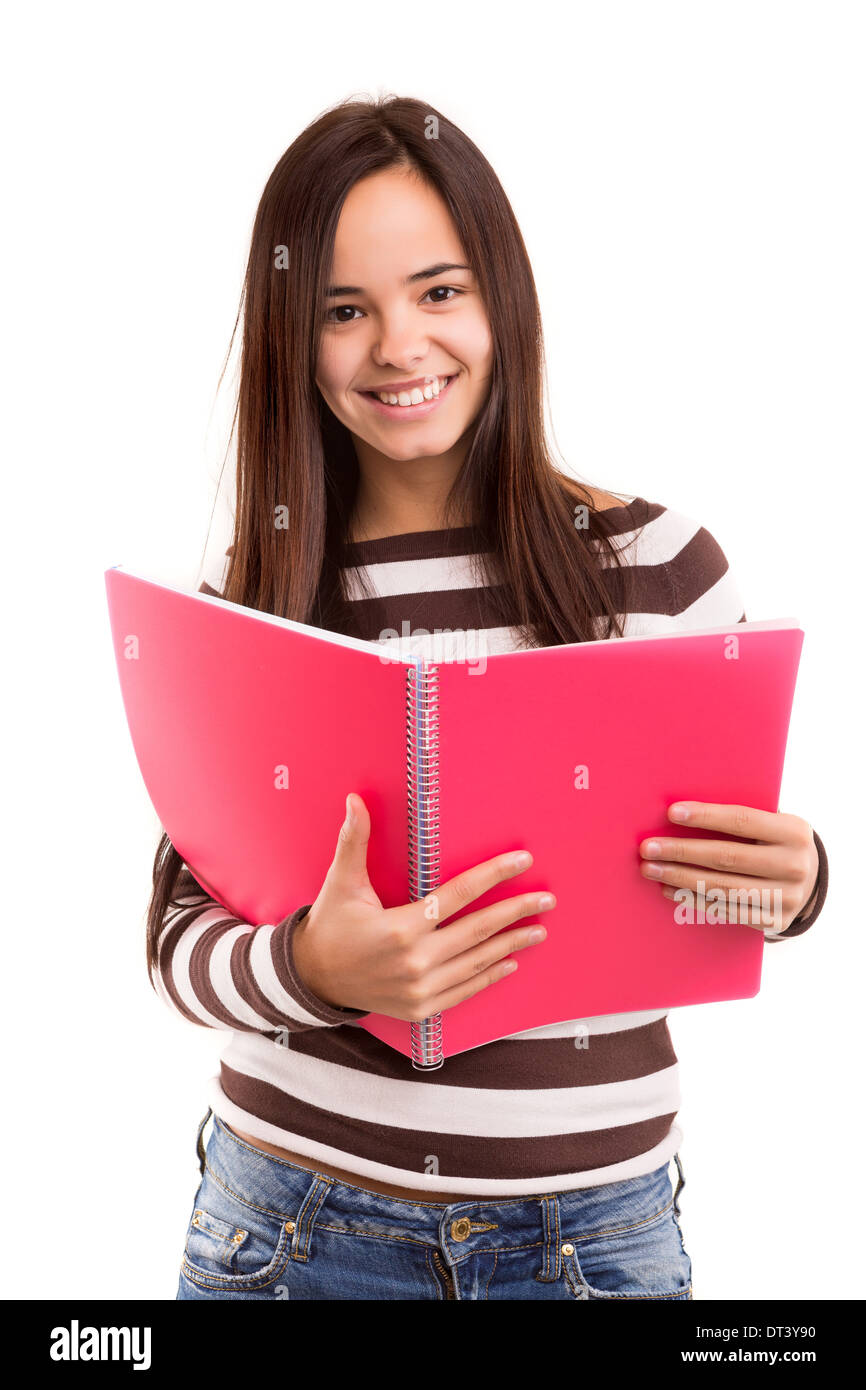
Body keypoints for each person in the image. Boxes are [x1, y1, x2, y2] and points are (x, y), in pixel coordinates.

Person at [149, 96, 829, 1300]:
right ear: (286, 339)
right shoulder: (251, 596)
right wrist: (315, 967)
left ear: (501, 298)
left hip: (589, 1240)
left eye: (438, 291)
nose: (399, 346)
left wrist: (792, 882)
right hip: (294, 1228)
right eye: (342, 312)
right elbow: (176, 945)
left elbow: (712, 892)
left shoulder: (660, 565)